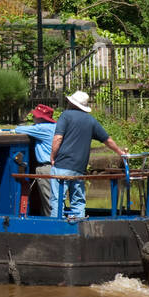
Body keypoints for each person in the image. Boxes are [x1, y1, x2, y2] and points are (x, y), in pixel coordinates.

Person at [50, 91, 127, 221]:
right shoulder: (91, 121)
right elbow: (107, 140)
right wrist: (121, 153)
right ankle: (78, 224)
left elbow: (58, 138)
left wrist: (52, 157)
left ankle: (57, 225)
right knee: (78, 199)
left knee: (58, 198)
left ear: (71, 103)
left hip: (62, 164)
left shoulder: (66, 116)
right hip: (79, 167)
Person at [19, 104, 57, 215]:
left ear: (41, 118)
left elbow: (18, 129)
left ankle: (52, 224)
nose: (33, 117)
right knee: (55, 198)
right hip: (57, 166)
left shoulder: (42, 128)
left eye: (35, 116)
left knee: (48, 199)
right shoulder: (55, 127)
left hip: (46, 168)